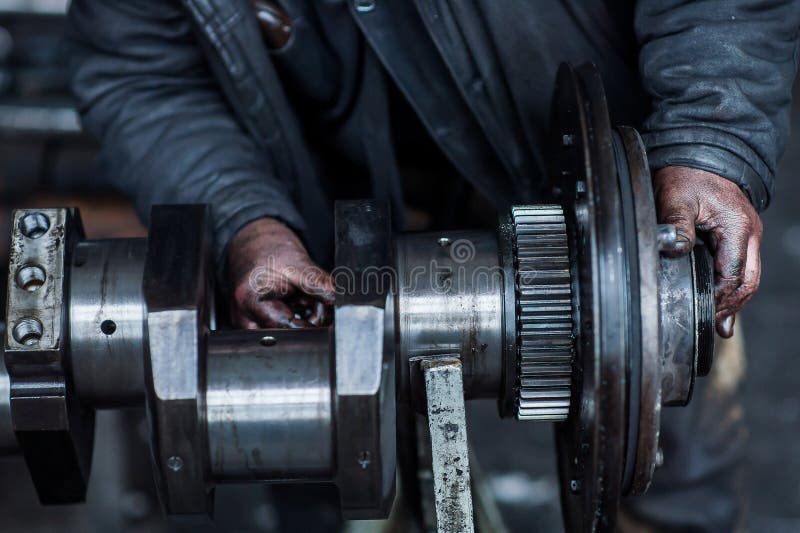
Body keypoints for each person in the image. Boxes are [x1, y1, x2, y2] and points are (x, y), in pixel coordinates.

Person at [66, 1, 799, 530]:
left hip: (601, 194)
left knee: (663, 393)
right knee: (334, 464)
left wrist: (708, 143)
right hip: (319, 215)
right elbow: (140, 75)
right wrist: (247, 223)